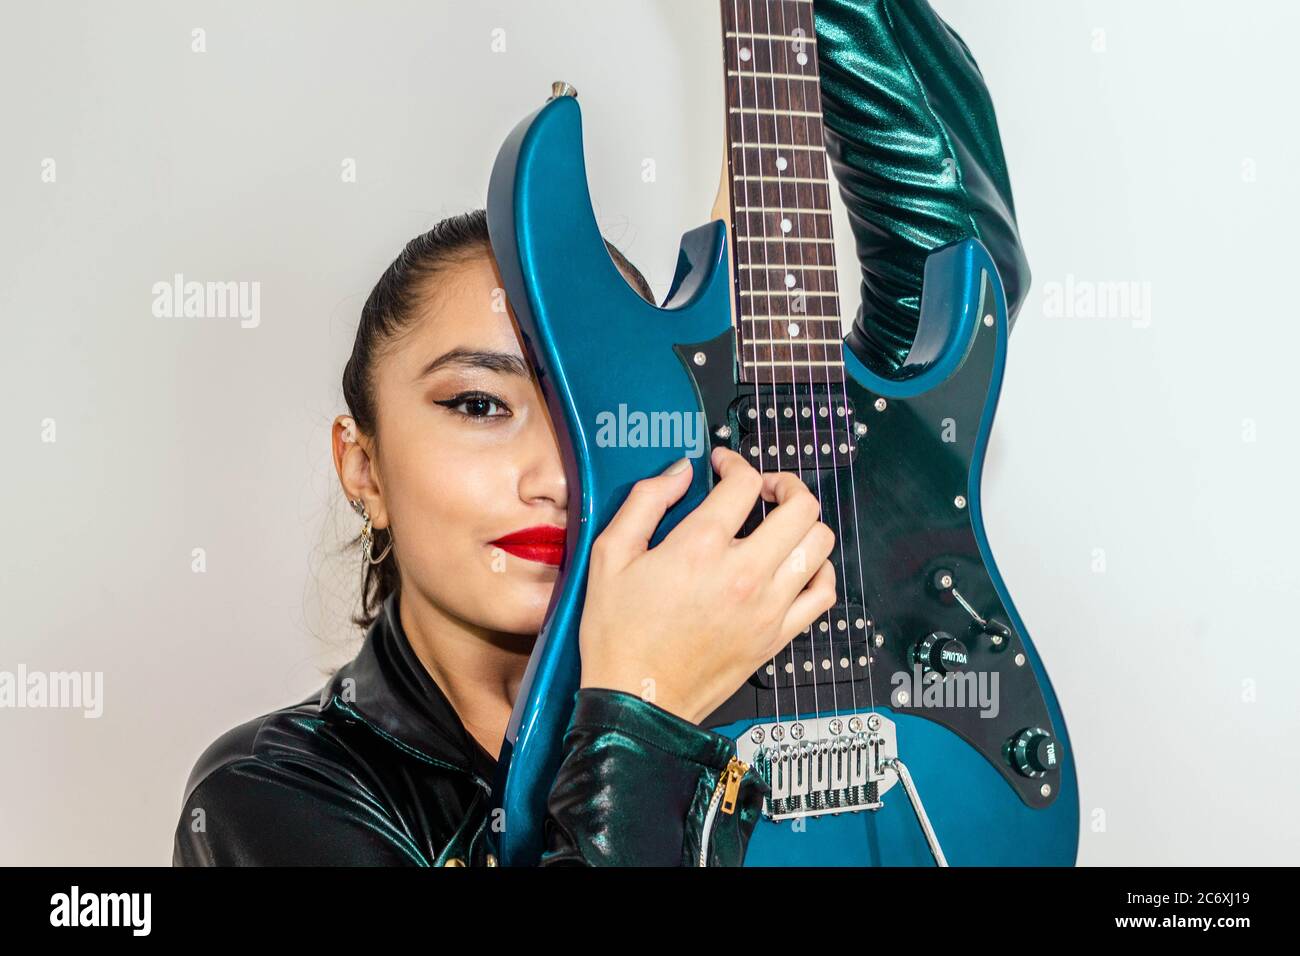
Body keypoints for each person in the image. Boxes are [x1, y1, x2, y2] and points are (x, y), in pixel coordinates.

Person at [172, 0, 1030, 867]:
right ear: (364, 469)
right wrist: (641, 712)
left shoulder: (784, 577)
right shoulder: (269, 794)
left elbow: (959, 280)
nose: (557, 474)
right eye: (479, 405)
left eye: (601, 410)